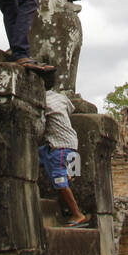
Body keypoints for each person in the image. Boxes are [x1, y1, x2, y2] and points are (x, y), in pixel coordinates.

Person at [37, 90, 90, 227]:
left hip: (60, 146)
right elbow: (71, 108)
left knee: (59, 182)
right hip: (69, 142)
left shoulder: (43, 103)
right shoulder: (60, 97)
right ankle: (67, 172)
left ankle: (77, 214)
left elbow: (39, 129)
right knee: (34, 155)